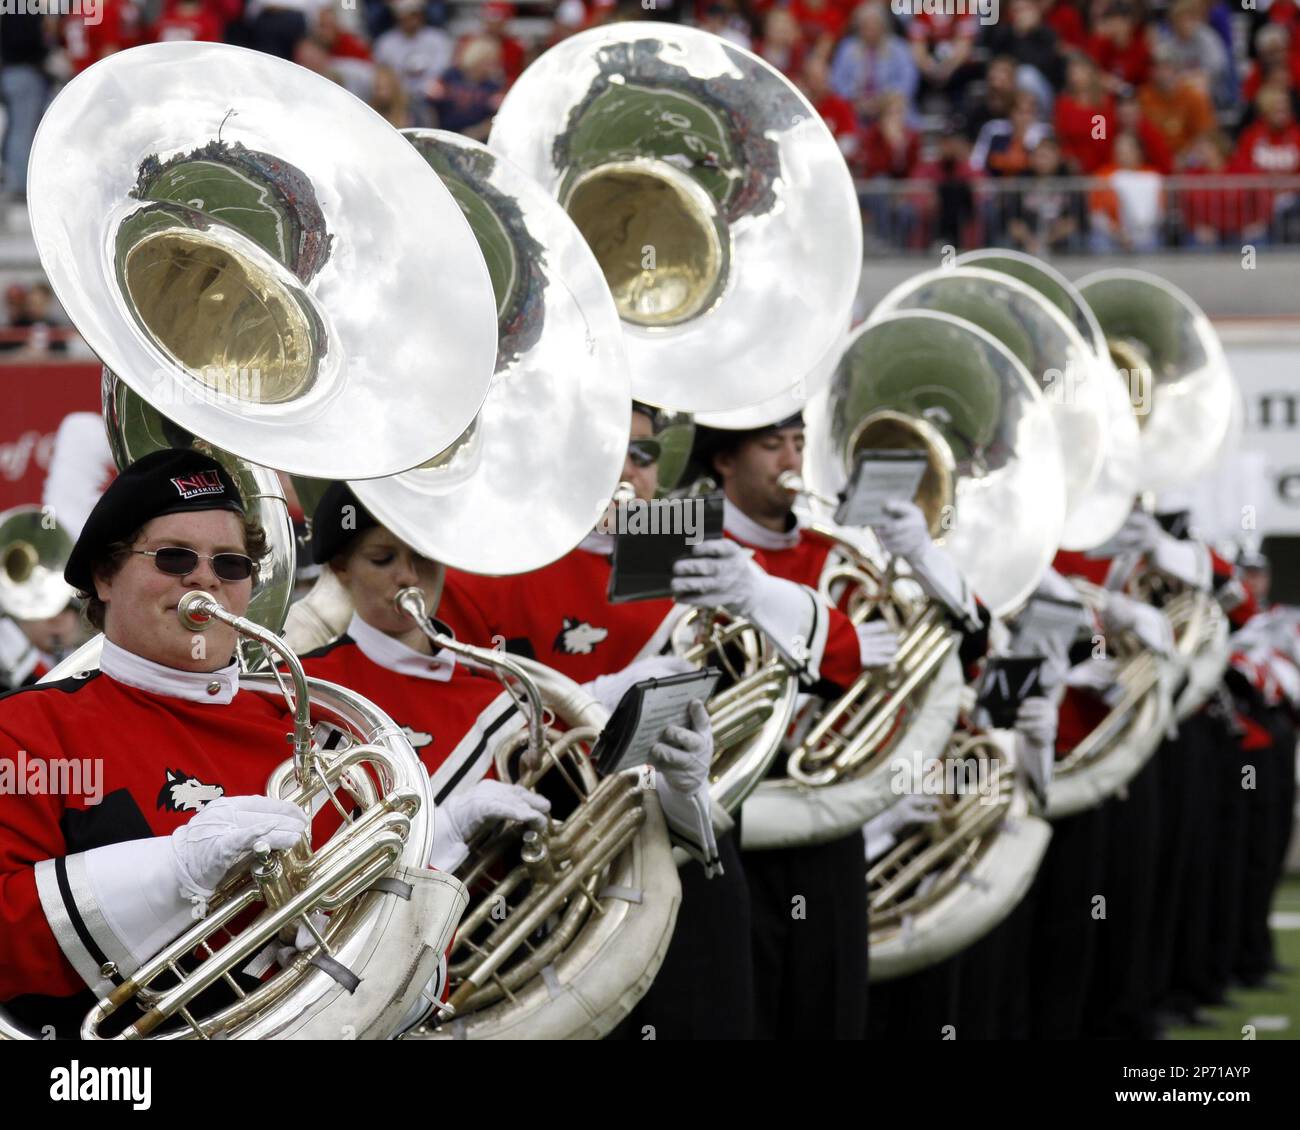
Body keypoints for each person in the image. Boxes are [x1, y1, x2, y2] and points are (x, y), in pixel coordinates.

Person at [435, 405, 767, 1039]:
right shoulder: (484, 569)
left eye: (647, 457)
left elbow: (782, 667)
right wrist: (595, 698)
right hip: (549, 874)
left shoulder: (689, 548)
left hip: (684, 850)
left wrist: (754, 597)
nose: (635, 474)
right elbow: (470, 725)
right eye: (617, 450)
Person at [683, 414, 990, 1040]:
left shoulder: (837, 556)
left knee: (830, 1004)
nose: (790, 457)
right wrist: (830, 649)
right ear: (724, 462)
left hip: (829, 804)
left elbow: (973, 638)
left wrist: (920, 552)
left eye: (797, 442)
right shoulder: (696, 549)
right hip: (731, 811)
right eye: (771, 445)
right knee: (743, 1006)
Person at [0, 450, 314, 1037]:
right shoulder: (27, 733)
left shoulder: (305, 729)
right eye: (173, 557)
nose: (205, 578)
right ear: (104, 577)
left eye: (231, 563)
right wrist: (173, 871)